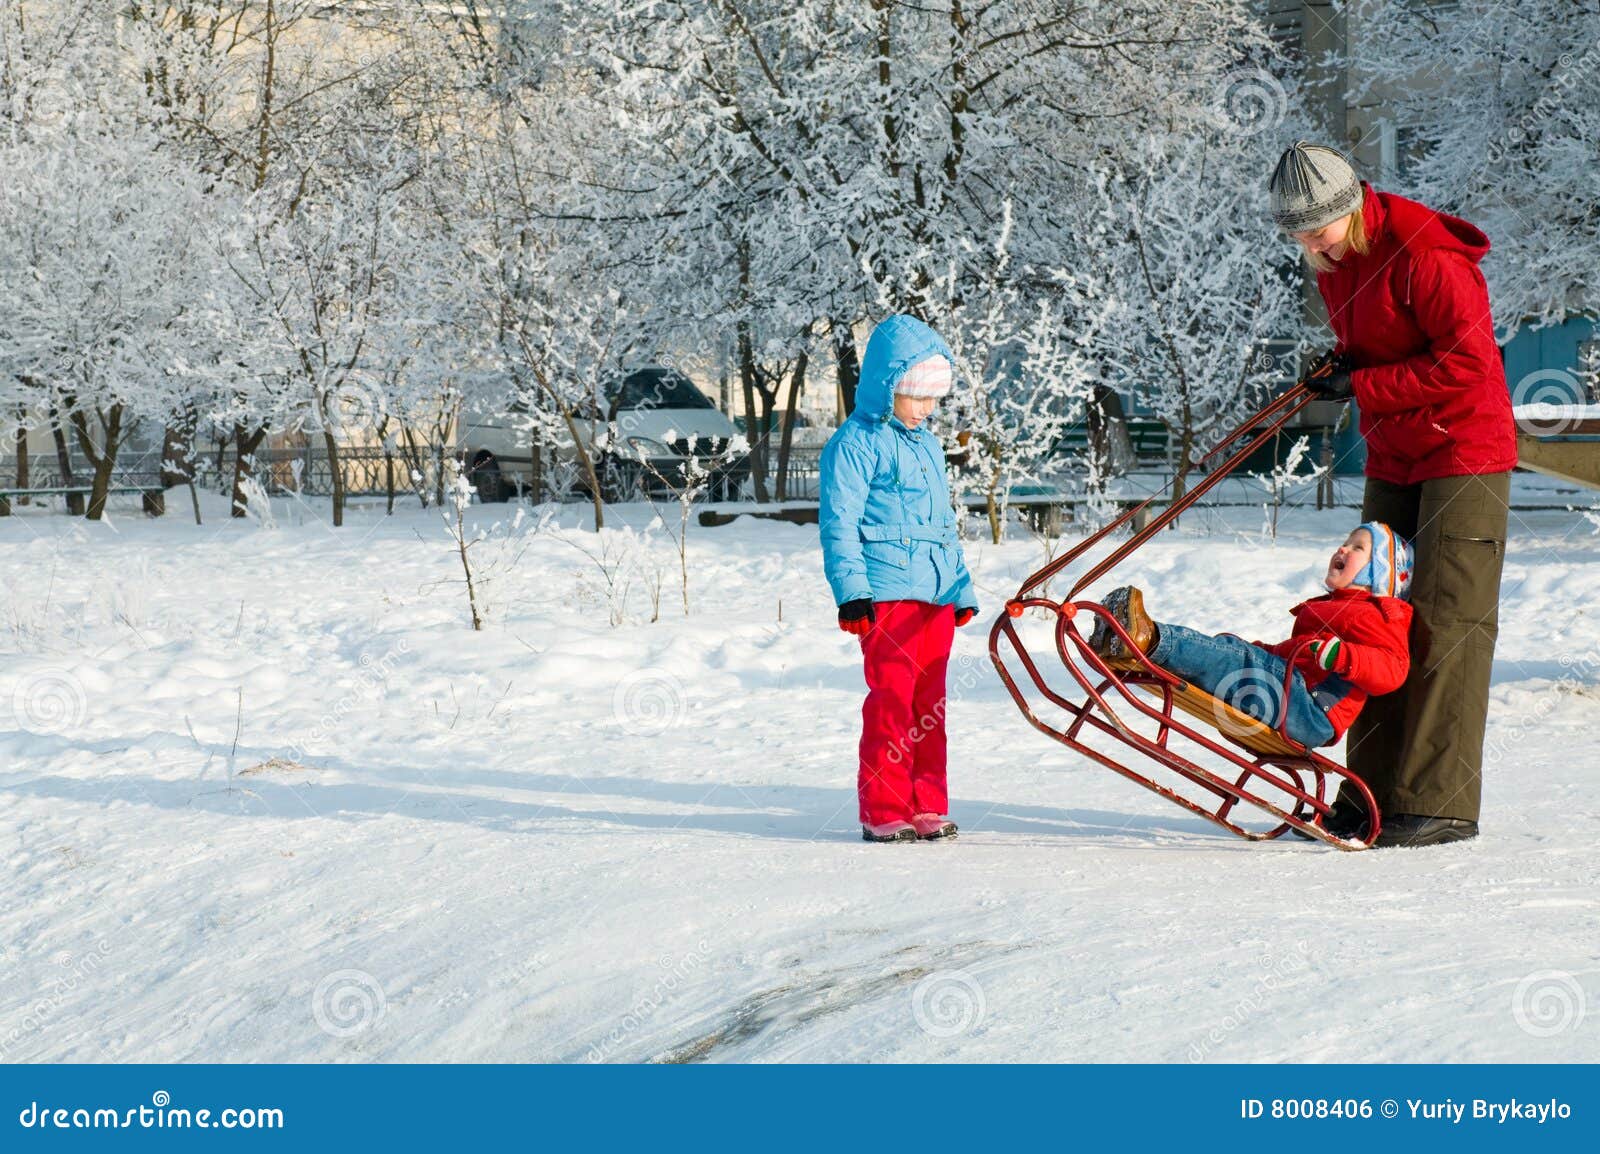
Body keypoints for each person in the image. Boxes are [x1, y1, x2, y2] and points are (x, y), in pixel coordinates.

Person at [1269, 140, 1516, 847]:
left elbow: (1467, 366)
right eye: (1301, 234)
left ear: (1352, 205)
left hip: (1463, 451)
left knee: (1447, 622)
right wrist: (1341, 367)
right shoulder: (1335, 262)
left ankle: (1436, 800)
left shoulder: (1426, 256)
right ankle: (1368, 795)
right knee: (1369, 617)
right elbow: (1384, 344)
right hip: (1398, 451)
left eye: (1320, 227)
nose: (1312, 244)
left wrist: (1366, 386)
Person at [819, 315, 979, 843]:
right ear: (888, 387)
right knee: (892, 698)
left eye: (935, 398)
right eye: (917, 397)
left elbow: (944, 526)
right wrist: (853, 594)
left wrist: (961, 589)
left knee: (930, 705)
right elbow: (839, 522)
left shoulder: (928, 446)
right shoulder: (855, 443)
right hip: (886, 594)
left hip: (935, 595)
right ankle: (884, 808)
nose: (928, 409)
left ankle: (926, 803)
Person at [1088, 523, 1413, 754]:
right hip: (1294, 696)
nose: (1343, 548)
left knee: (1232, 657)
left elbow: (1393, 668)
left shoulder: (1377, 613)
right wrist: (1258, 652)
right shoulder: (1335, 608)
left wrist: (1342, 657)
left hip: (1312, 709)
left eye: (1358, 548)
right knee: (1231, 651)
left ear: (1377, 573)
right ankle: (1128, 645)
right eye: (1346, 542)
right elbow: (1289, 657)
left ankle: (1148, 638)